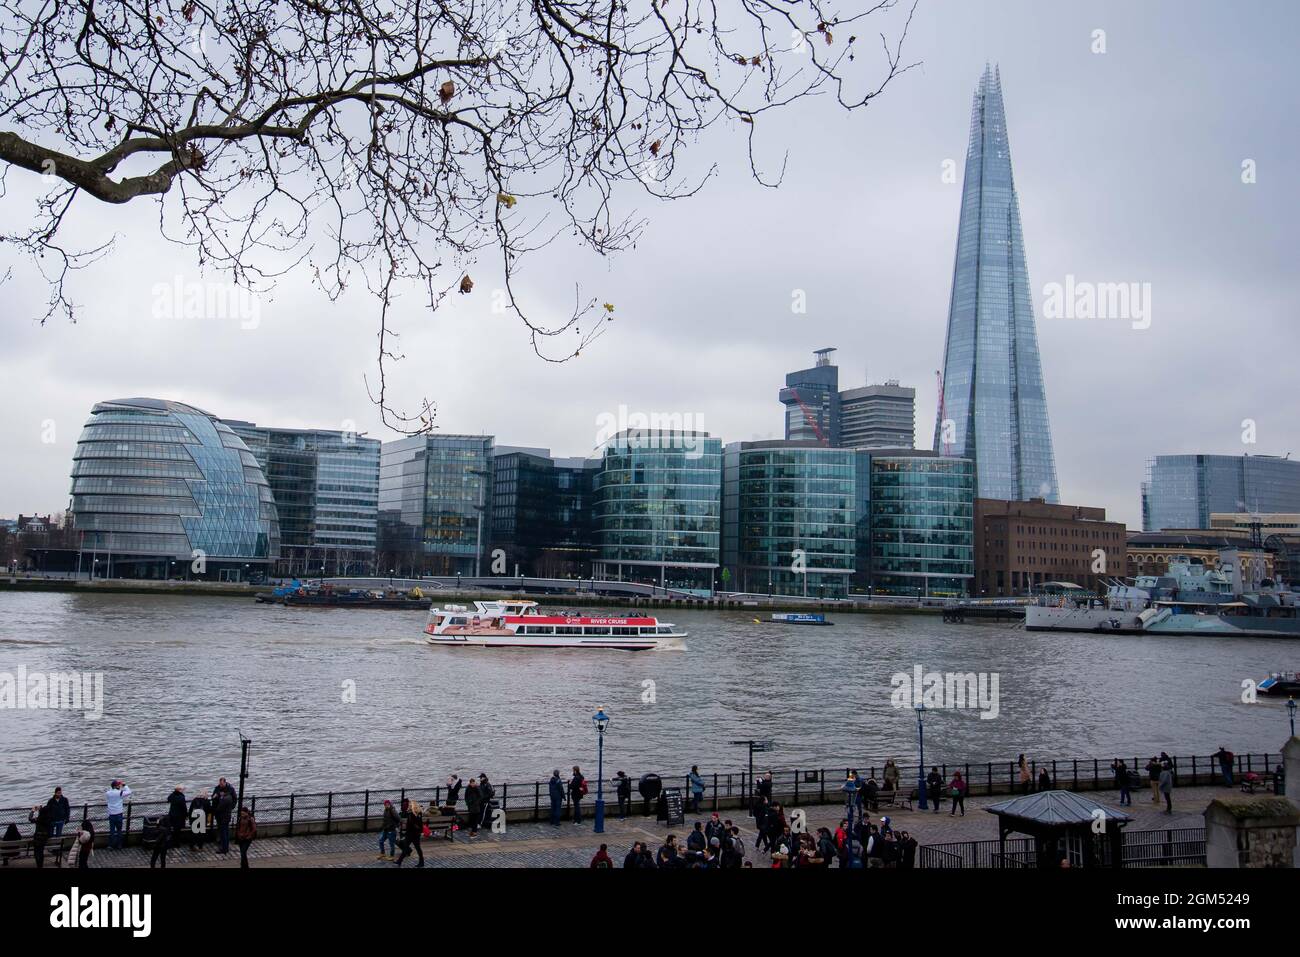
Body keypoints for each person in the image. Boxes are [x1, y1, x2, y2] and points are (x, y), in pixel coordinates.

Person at [396, 800, 425, 866]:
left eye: (409, 805)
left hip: (411, 834)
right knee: (415, 848)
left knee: (410, 848)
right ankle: (400, 861)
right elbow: (419, 825)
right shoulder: (418, 813)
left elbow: (411, 825)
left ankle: (400, 861)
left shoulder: (411, 814)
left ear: (412, 806)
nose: (408, 806)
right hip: (416, 834)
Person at [104, 780, 132, 850]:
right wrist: (124, 785)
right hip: (119, 814)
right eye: (118, 785)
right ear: (116, 786)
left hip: (111, 814)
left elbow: (111, 790)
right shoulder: (120, 793)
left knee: (112, 831)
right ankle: (119, 845)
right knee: (119, 830)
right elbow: (129, 792)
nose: (119, 786)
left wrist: (114, 787)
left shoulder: (108, 793)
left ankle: (111, 845)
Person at [212, 779, 236, 854]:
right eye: (220, 784)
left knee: (224, 831)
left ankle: (224, 847)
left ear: (225, 783)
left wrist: (230, 807)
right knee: (223, 830)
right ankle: (222, 843)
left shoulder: (229, 792)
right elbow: (214, 797)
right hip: (223, 814)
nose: (220, 785)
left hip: (223, 813)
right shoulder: (218, 789)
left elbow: (235, 800)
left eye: (222, 784)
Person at [28, 804, 50, 869]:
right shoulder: (48, 819)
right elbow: (45, 811)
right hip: (45, 837)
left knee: (37, 852)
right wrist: (41, 808)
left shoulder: (38, 819)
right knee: (41, 851)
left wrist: (32, 811)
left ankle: (39, 865)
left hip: (37, 837)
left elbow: (30, 818)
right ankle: (41, 865)